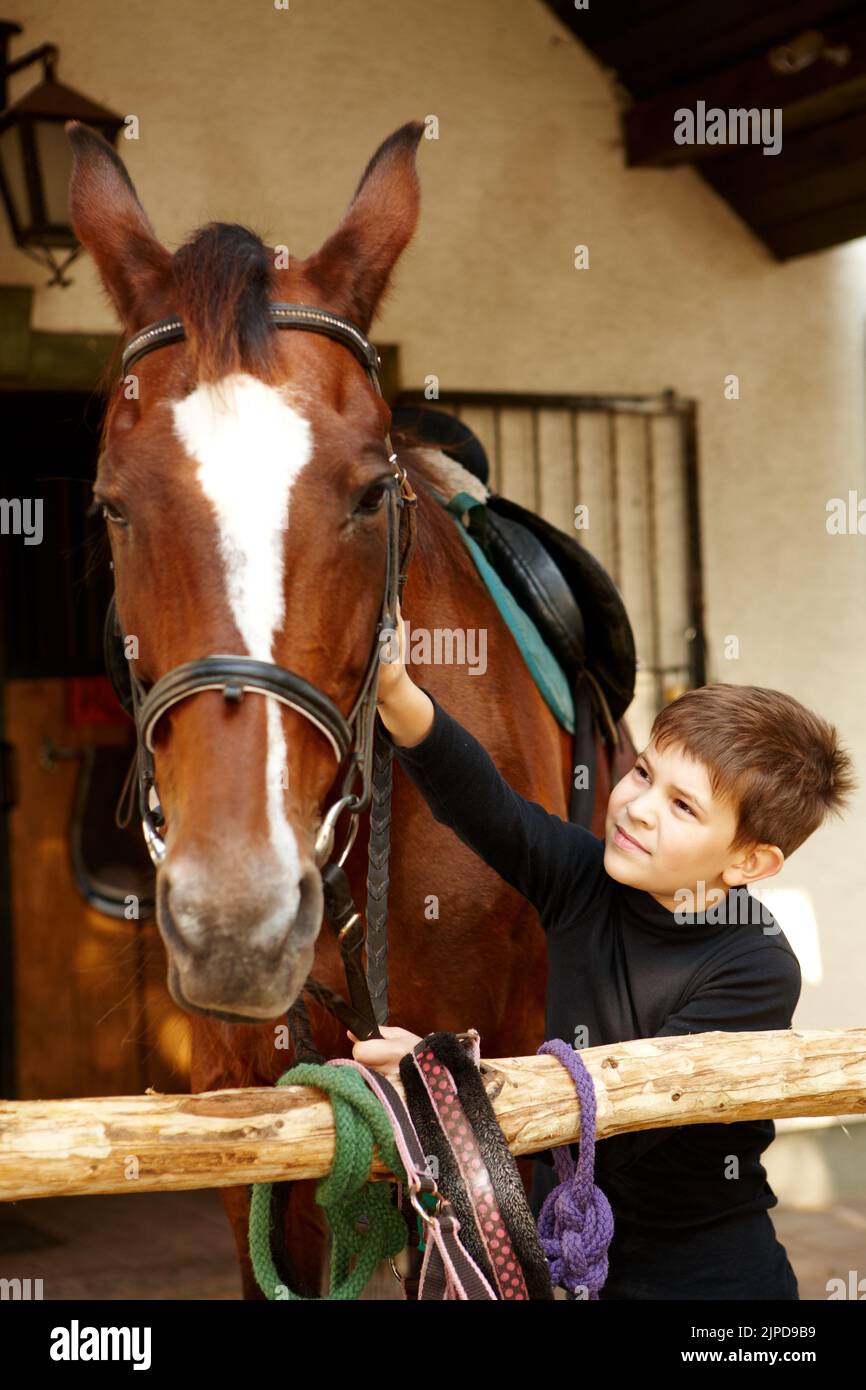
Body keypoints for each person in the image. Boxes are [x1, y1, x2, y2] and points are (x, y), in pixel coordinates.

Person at [350, 598, 857, 1300]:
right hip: (576, 1272)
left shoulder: (755, 965)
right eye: (645, 773)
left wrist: (442, 1080)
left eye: (683, 807)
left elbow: (620, 1122)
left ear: (748, 863)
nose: (640, 806)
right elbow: (486, 806)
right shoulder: (584, 880)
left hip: (709, 1286)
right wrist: (397, 691)